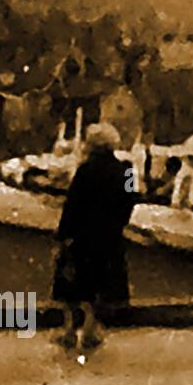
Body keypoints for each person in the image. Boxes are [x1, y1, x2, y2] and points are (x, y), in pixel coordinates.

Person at [53, 123, 137, 351]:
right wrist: (119, 223)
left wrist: (63, 235)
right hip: (110, 236)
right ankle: (91, 328)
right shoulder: (128, 171)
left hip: (83, 236)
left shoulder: (85, 171)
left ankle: (70, 329)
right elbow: (132, 199)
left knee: (73, 283)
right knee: (102, 285)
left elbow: (72, 205)